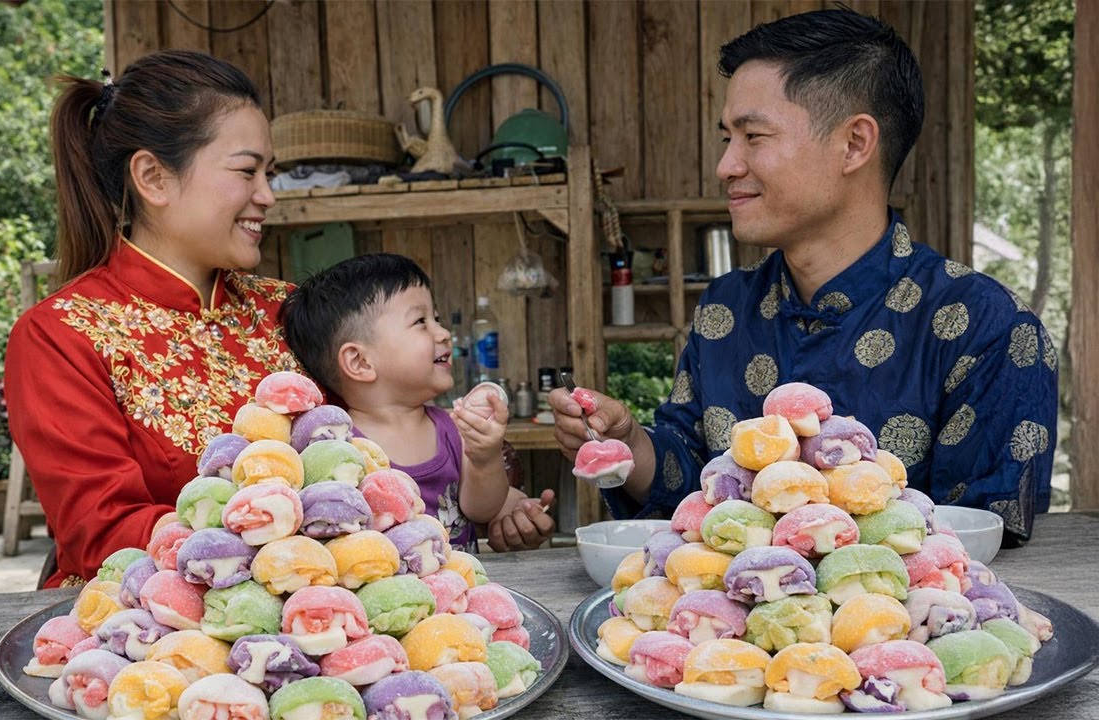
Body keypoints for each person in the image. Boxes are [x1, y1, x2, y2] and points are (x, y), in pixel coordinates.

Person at [550, 8, 1057, 544]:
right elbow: (692, 492)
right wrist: (630, 442)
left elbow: (979, 549)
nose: (726, 165)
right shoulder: (726, 308)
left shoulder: (990, 330)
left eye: (753, 136)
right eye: (728, 138)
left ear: (855, 144)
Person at [5, 50, 296, 587]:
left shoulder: (288, 310)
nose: (267, 196)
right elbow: (104, 533)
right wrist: (295, 549)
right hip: (140, 634)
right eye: (246, 171)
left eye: (269, 173)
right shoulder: (61, 335)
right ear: (153, 177)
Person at [280, 253, 556, 552]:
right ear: (360, 361)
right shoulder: (337, 448)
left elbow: (482, 511)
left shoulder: (453, 427)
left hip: (461, 590)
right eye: (421, 321)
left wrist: (485, 457)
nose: (444, 333)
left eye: (436, 318)